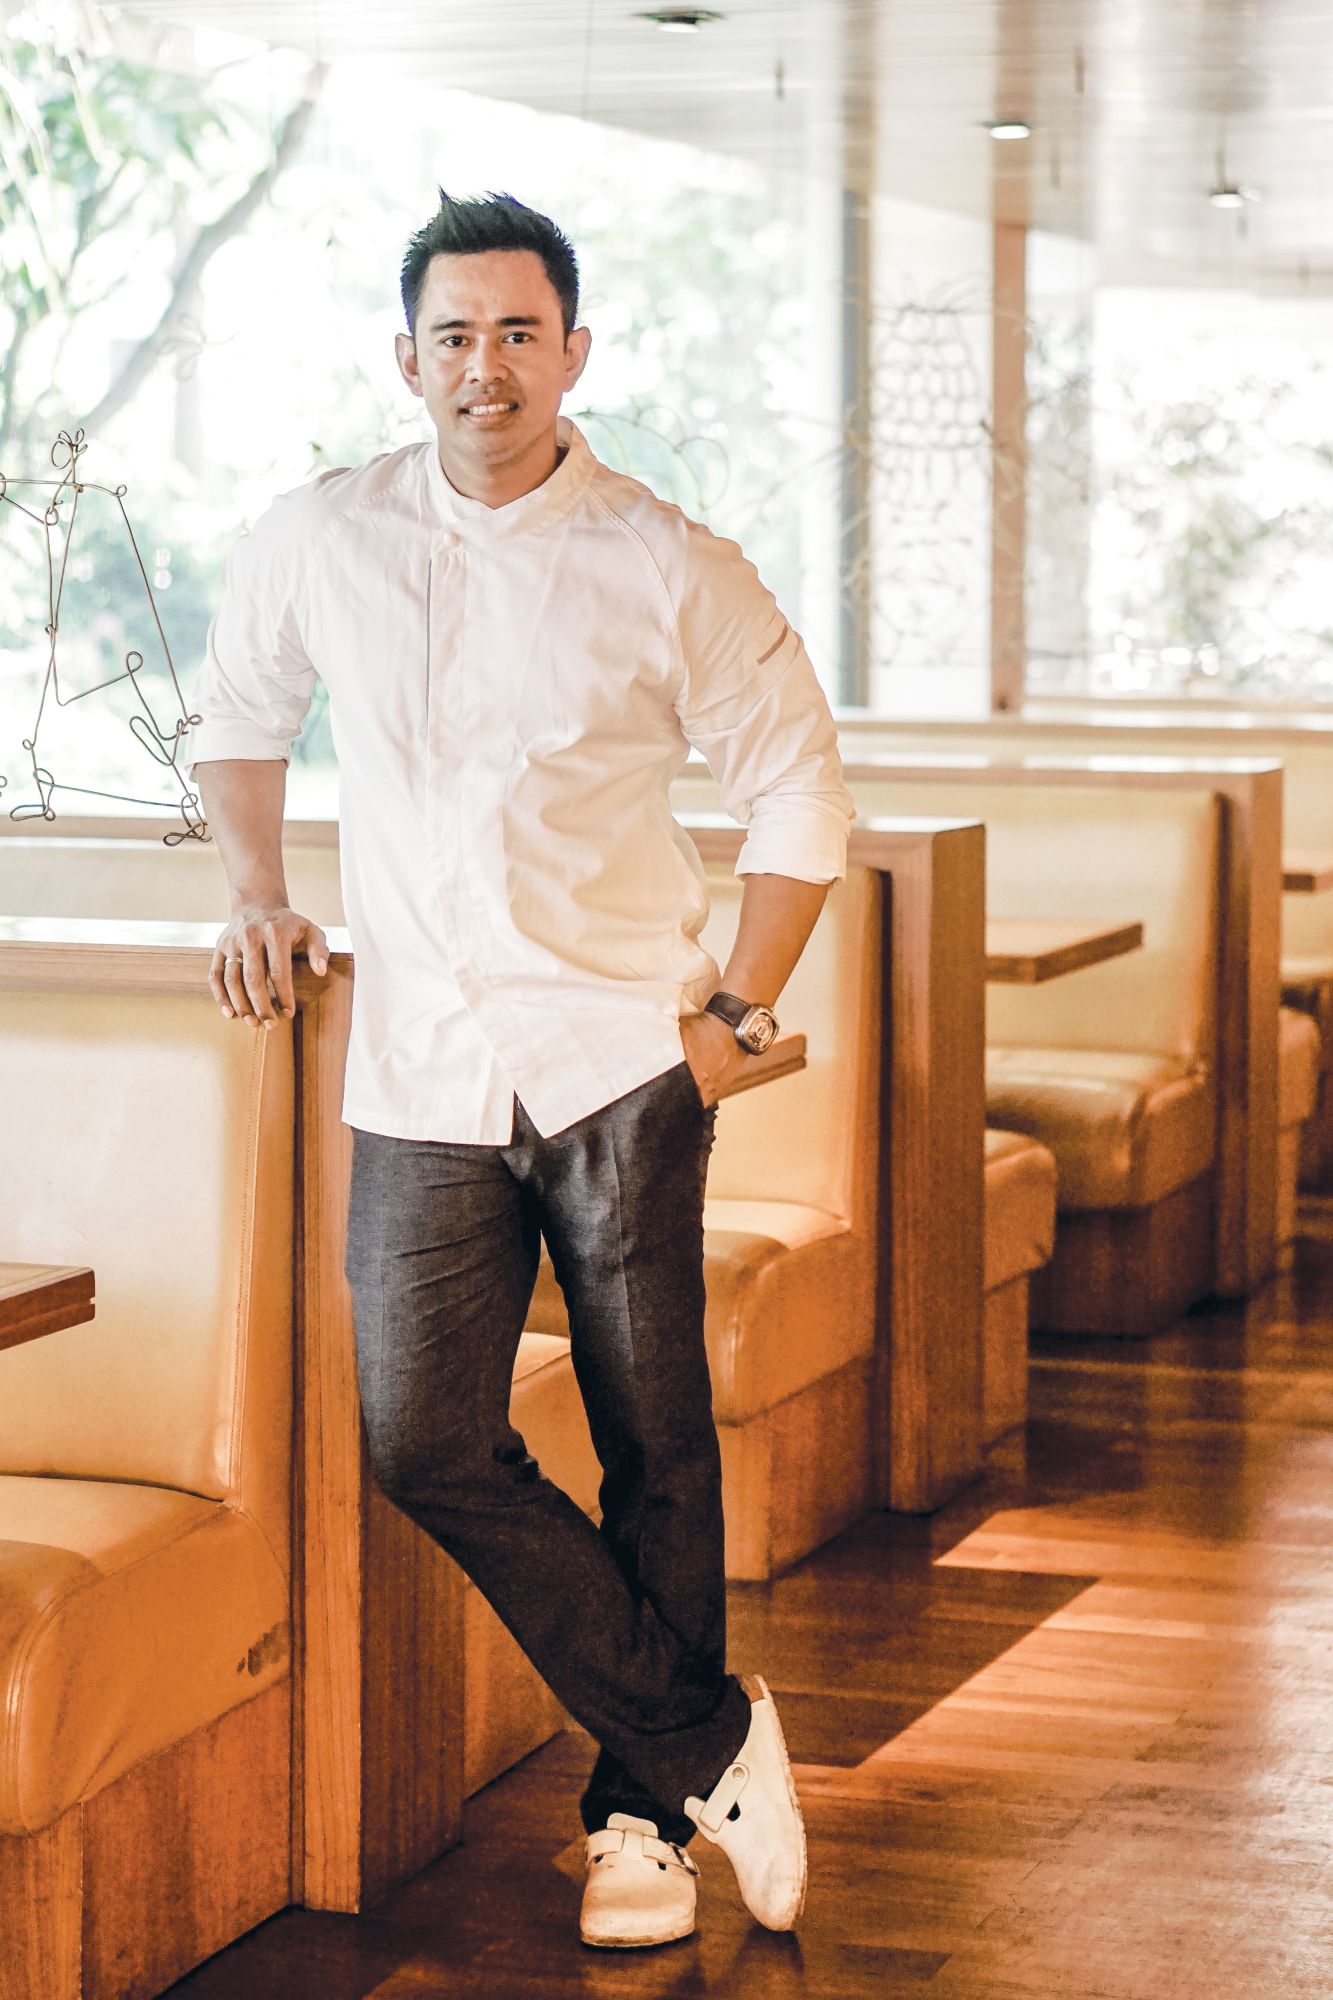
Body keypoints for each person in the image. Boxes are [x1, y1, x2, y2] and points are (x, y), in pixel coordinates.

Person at [187, 190, 855, 1952]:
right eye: (453, 335)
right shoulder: (319, 535)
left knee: (656, 1444)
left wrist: (732, 1019)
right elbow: (239, 715)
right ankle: (709, 1740)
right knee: (423, 1438)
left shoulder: (667, 559)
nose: (484, 366)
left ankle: (640, 1825)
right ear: (404, 359)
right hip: (415, 1072)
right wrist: (254, 892)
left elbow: (800, 789)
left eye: (517, 333)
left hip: (620, 1059)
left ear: (574, 352)